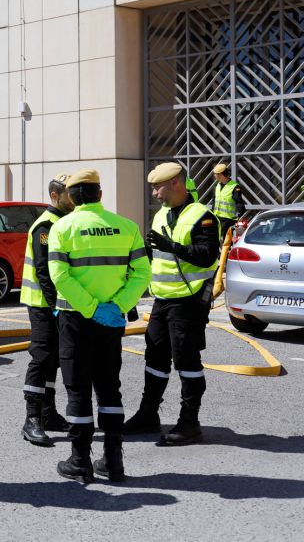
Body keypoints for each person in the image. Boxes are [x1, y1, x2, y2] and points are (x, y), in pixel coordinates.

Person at [47, 169, 151, 484]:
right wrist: (116, 306)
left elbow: (60, 276)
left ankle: (80, 460)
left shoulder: (62, 228)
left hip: (75, 319)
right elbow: (142, 273)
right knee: (109, 387)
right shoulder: (127, 227)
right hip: (111, 321)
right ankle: (113, 459)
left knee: (78, 389)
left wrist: (90, 308)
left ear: (73, 196)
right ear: (100, 194)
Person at [124, 161, 221, 446]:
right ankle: (148, 415)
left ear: (175, 183)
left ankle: (190, 423)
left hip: (189, 301)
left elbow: (206, 256)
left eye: (157, 187)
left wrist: (173, 247)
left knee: (187, 360)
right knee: (154, 357)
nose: (154, 193)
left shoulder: (203, 216)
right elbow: (153, 259)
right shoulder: (162, 215)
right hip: (162, 300)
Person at [19, 174, 74, 447]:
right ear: (55, 195)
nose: (73, 199)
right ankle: (31, 419)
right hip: (43, 304)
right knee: (41, 358)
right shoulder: (45, 226)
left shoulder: (62, 223)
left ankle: (48, 413)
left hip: (55, 305)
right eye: (68, 194)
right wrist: (56, 308)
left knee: (53, 359)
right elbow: (45, 273)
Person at [211, 162, 245, 239]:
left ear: (221, 174)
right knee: (216, 239)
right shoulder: (217, 185)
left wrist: (238, 217)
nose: (214, 175)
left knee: (226, 243)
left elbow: (239, 204)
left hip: (228, 220)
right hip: (217, 218)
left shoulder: (234, 187)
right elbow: (214, 200)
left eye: (216, 174)